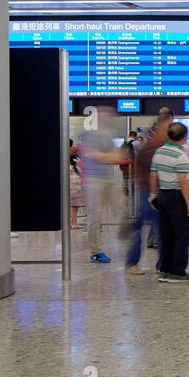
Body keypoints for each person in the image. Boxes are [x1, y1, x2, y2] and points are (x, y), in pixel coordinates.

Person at [126, 108, 172, 274]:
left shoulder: (160, 148)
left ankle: (161, 264)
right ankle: (133, 262)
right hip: (148, 193)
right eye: (165, 131)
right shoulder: (148, 149)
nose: (167, 134)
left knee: (160, 228)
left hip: (157, 192)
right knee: (145, 227)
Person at [150, 122, 189, 283]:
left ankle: (165, 269)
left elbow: (153, 176)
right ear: (184, 136)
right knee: (182, 235)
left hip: (163, 196)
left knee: (166, 234)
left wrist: (153, 196)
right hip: (178, 197)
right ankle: (178, 272)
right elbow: (183, 182)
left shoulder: (159, 152)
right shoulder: (180, 156)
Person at [76, 106, 121, 263]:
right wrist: (106, 156)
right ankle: (96, 251)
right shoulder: (87, 135)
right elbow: (96, 156)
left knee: (120, 210)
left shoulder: (108, 136)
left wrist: (105, 156)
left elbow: (116, 155)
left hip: (109, 179)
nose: (106, 118)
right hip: (94, 180)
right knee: (95, 216)